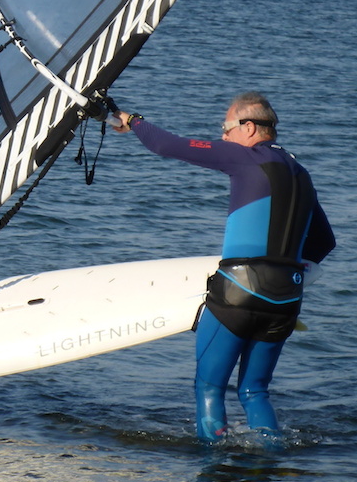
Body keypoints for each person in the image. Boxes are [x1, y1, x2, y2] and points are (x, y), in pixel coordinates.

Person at [113, 92, 335, 442]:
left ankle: (212, 478)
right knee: (255, 391)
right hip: (287, 299)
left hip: (238, 292)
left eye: (226, 129)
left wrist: (133, 120)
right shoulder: (302, 175)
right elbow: (324, 243)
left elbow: (168, 145)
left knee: (210, 388)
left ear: (248, 127)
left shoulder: (246, 157)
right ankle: (267, 472)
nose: (223, 137)